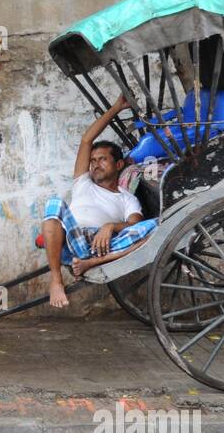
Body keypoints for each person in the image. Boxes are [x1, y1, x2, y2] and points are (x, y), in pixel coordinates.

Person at [41, 95, 158, 307]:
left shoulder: (126, 198)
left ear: (119, 164)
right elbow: (87, 139)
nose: (95, 164)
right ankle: (56, 279)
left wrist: (110, 226)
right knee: (54, 204)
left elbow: (136, 225)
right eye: (93, 161)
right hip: (73, 239)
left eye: (102, 159)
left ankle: (91, 264)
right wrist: (116, 108)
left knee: (155, 227)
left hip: (102, 247)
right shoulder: (83, 182)